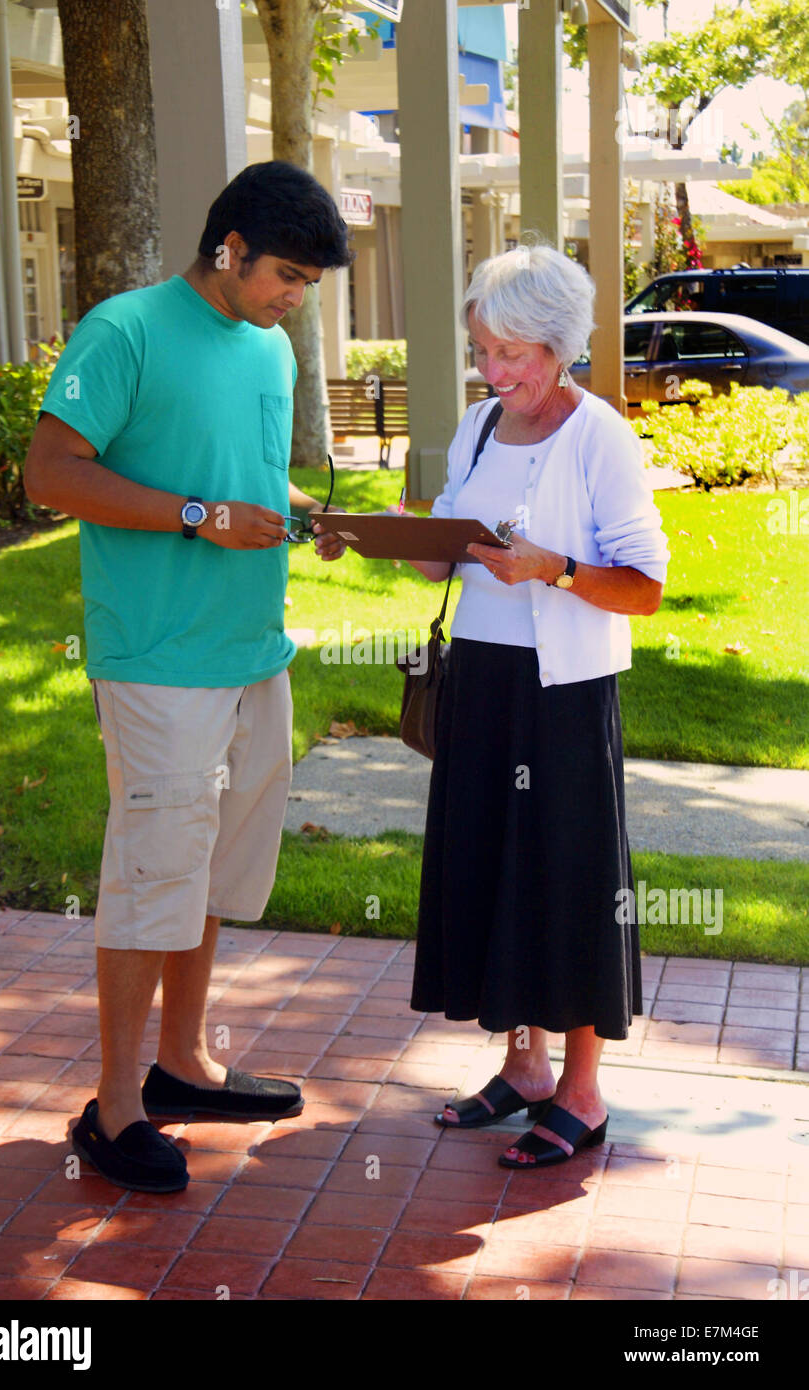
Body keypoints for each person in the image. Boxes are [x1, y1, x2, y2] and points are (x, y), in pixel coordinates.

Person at [24, 161, 352, 1193]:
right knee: (149, 876)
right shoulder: (123, 331)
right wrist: (202, 518)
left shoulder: (266, 349)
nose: (294, 300)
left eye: (308, 284)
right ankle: (113, 1107)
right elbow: (49, 473)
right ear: (228, 250)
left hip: (254, 649)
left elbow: (238, 469)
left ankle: (183, 1062)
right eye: (286, 276)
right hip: (158, 657)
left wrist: (298, 509)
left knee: (207, 874)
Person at [405, 245, 669, 1171]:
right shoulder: (479, 426)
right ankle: (522, 1069)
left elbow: (644, 587)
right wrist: (394, 540)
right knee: (490, 867)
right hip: (481, 680)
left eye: (514, 353)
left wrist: (550, 567)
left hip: (562, 693)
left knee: (568, 876)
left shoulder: (599, 435)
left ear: (559, 347)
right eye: (485, 350)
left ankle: (582, 1092)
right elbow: (445, 547)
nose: (497, 372)